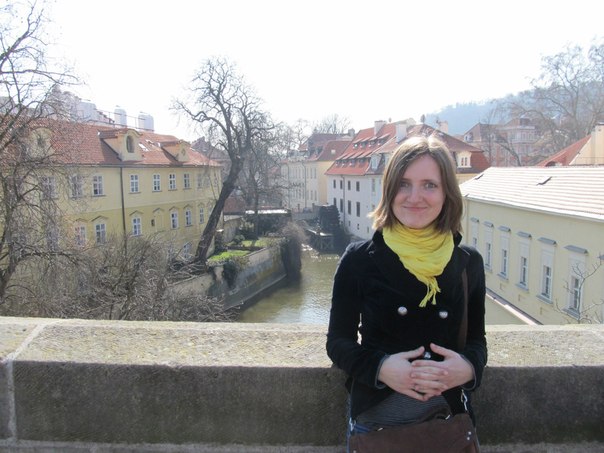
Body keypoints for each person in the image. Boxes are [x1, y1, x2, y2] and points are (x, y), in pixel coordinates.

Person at [326, 135, 487, 449]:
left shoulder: (468, 263)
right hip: (377, 428)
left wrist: (468, 368)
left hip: (448, 424)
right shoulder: (359, 260)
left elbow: (477, 341)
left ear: (446, 193)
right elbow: (338, 342)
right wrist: (381, 369)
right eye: (404, 184)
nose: (415, 197)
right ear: (389, 190)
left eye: (429, 185)